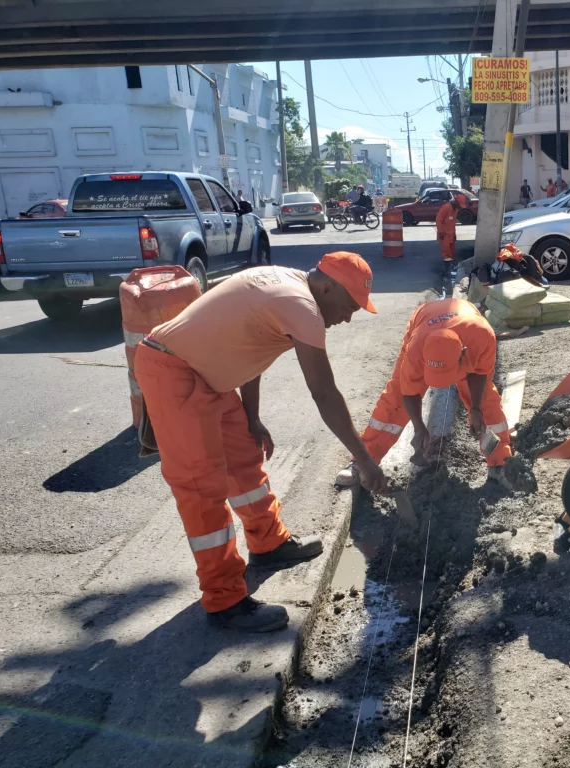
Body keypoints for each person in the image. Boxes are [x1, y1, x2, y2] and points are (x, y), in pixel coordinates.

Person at [134, 252, 389, 632]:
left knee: (244, 456)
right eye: (349, 306)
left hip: (205, 372)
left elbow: (252, 349)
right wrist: (364, 459)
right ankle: (224, 600)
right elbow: (324, 393)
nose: (348, 317)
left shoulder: (287, 281)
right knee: (201, 488)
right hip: (174, 370)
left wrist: (251, 417)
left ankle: (268, 545)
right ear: (325, 287)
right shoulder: (302, 305)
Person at [335, 298, 513, 488]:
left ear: (463, 354)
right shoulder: (416, 350)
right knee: (394, 401)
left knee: (486, 402)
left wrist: (476, 408)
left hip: (466, 325)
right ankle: (364, 461)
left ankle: (500, 462)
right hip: (424, 320)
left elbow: (481, 374)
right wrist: (419, 427)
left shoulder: (482, 337)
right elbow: (407, 390)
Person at [436, 193, 467, 266]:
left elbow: (452, 223)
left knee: (452, 252)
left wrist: (454, 234)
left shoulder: (455, 210)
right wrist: (440, 232)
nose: (460, 207)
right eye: (459, 205)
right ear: (455, 202)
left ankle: (451, 267)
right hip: (444, 235)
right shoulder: (446, 207)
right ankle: (447, 271)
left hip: (451, 234)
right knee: (446, 253)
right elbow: (438, 220)